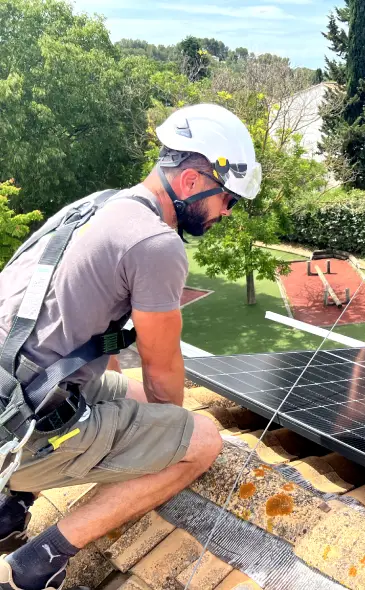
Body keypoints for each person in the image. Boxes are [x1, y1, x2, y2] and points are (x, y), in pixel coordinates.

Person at [0, 103, 262, 590]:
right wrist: (167, 434)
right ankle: (37, 564)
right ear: (190, 182)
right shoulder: (156, 243)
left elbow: (97, 333)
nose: (227, 212)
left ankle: (6, 510)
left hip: (14, 387)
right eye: (228, 198)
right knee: (200, 438)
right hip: (17, 429)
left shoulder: (98, 204)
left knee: (129, 391)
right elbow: (164, 377)